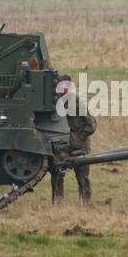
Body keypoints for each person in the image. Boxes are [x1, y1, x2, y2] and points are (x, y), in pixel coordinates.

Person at [51, 74, 95, 203]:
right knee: (57, 174)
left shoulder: (77, 103)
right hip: (62, 145)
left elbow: (91, 126)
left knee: (82, 176)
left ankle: (86, 203)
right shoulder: (55, 102)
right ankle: (58, 202)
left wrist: (76, 138)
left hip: (79, 145)